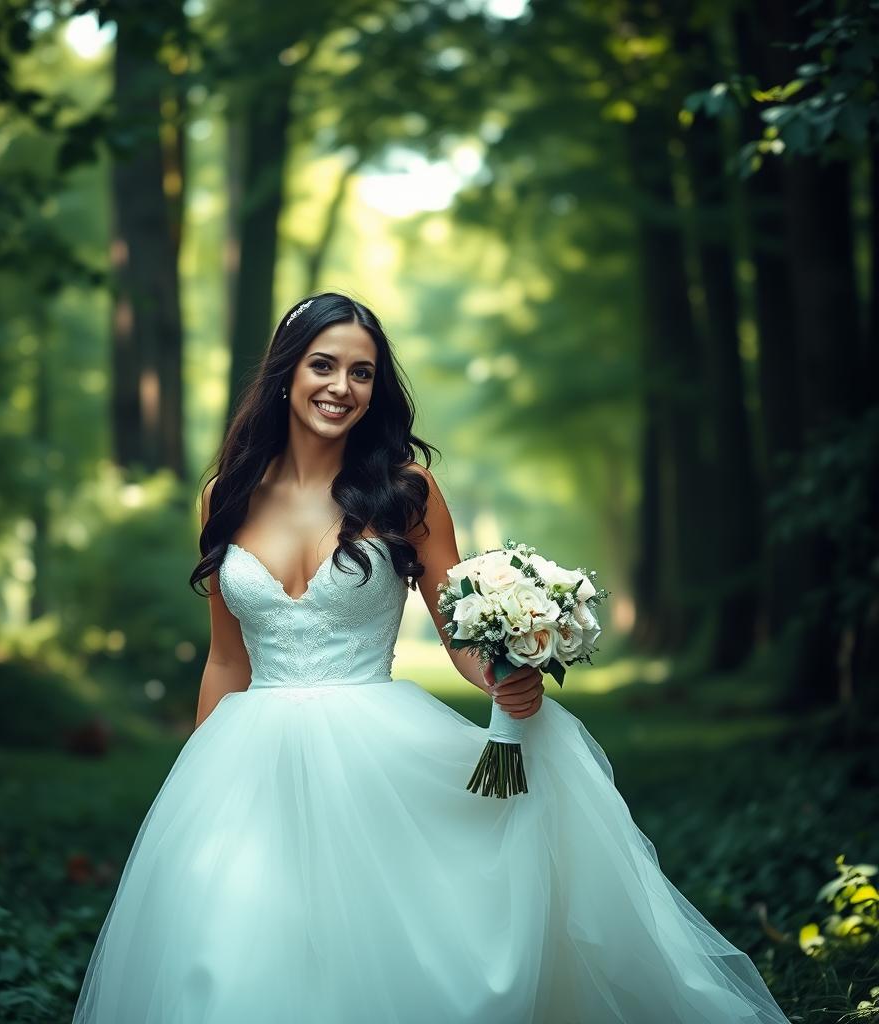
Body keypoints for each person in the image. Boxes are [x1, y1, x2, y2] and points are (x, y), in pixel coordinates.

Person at [71, 292, 791, 1023]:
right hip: (247, 760)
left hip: (374, 749)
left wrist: (507, 677)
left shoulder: (405, 493)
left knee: (383, 948)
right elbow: (227, 660)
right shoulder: (225, 498)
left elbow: (459, 635)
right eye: (323, 366)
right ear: (286, 375)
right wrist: (201, 779)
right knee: (233, 955)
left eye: (361, 373)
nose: (340, 387)